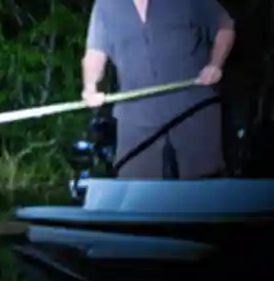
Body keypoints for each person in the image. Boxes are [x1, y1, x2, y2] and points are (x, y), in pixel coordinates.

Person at [81, 0, 236, 179]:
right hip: (136, 116)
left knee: (201, 190)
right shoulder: (106, 6)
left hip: (194, 109)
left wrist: (215, 64)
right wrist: (90, 87)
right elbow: (95, 52)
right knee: (136, 191)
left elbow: (225, 26)